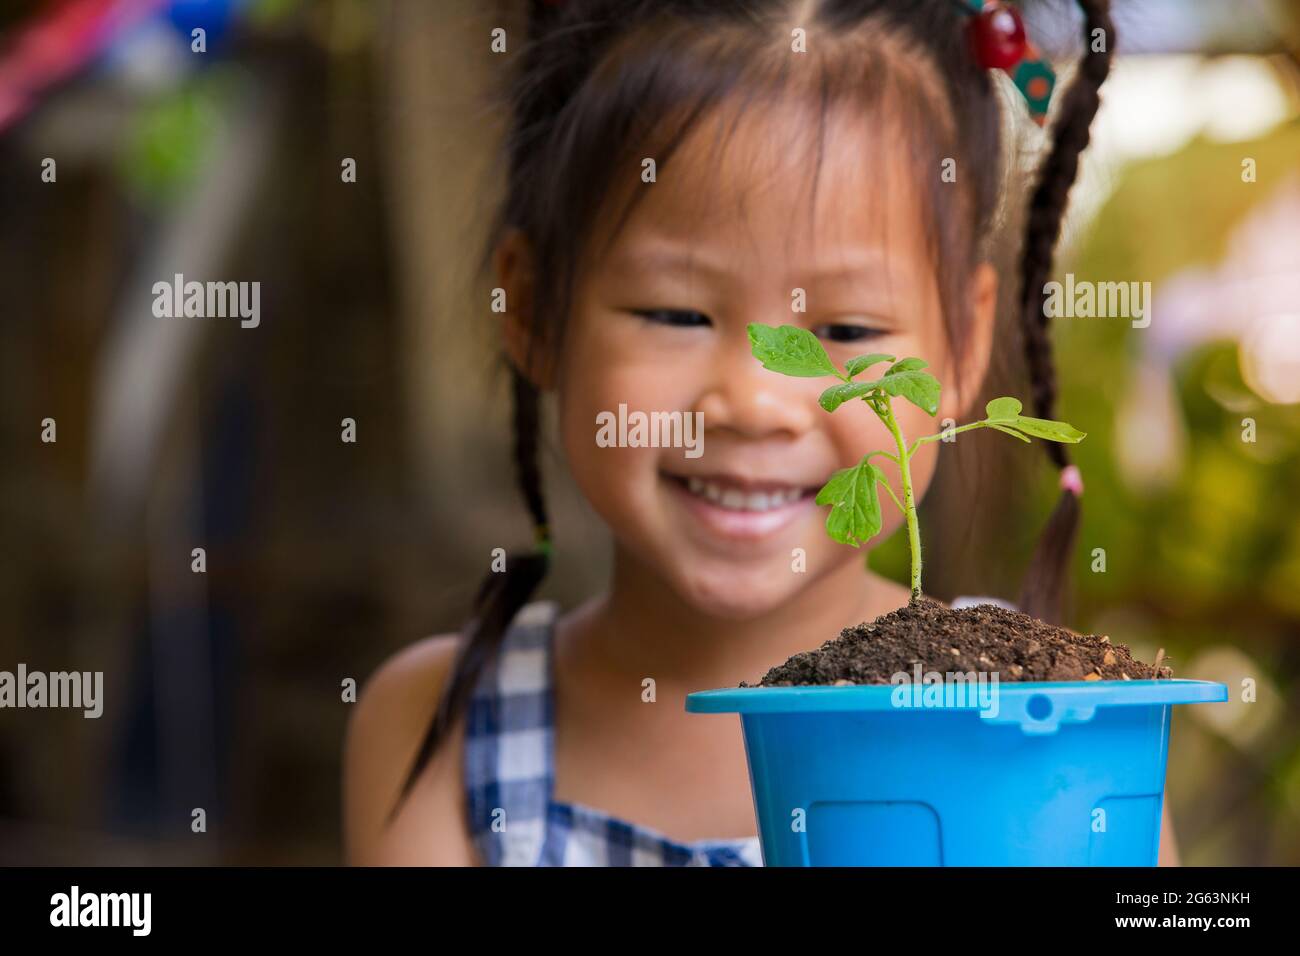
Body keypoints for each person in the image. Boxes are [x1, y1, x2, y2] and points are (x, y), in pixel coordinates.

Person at [345, 0, 1171, 866]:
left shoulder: (1065, 717)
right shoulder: (437, 731)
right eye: (674, 312)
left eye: (848, 332)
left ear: (963, 342)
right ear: (533, 310)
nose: (755, 401)